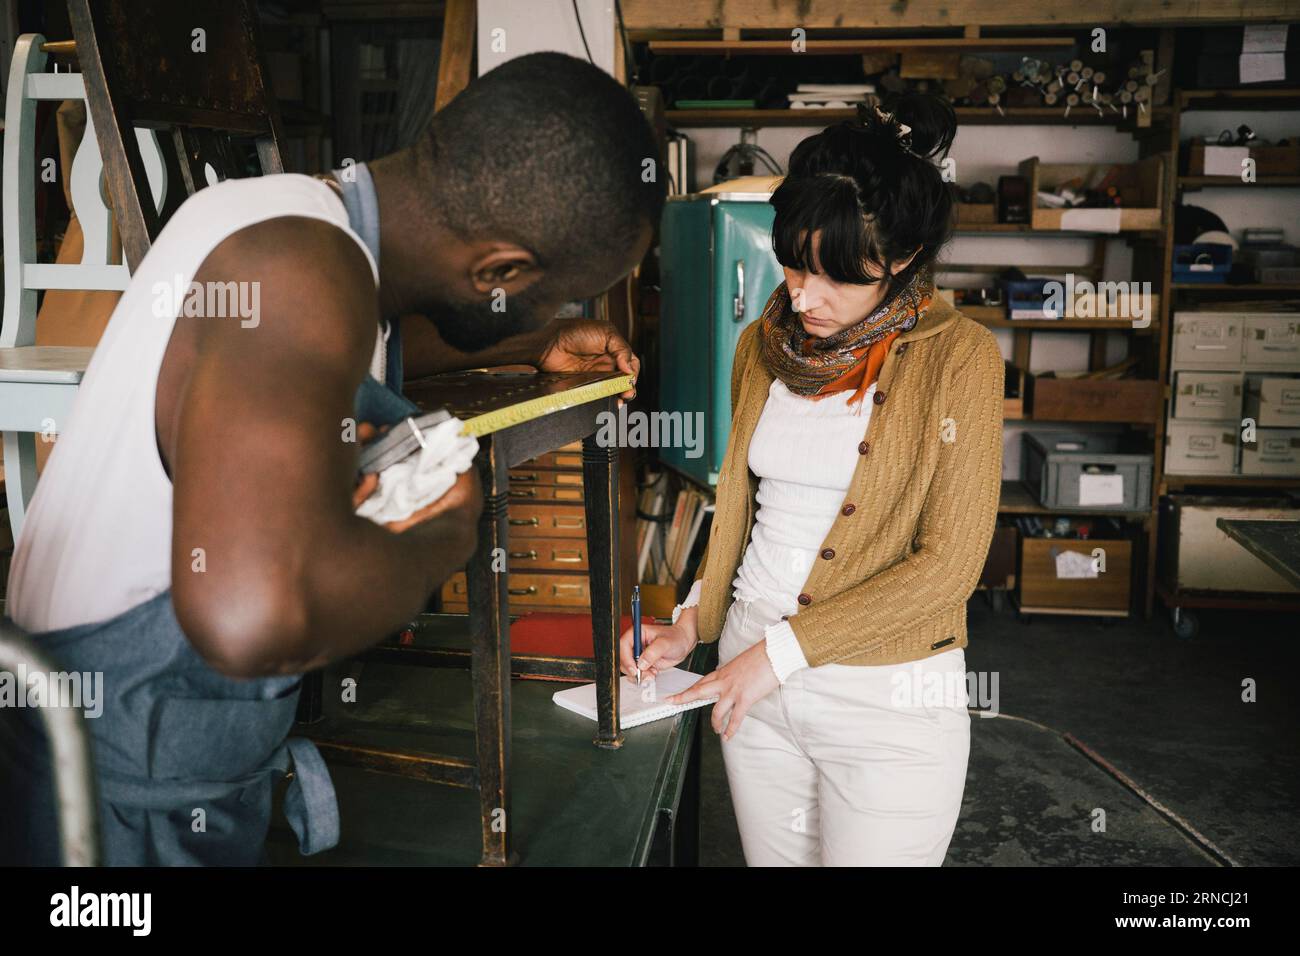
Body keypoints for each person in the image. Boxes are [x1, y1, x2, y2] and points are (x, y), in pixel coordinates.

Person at [2, 51, 665, 865]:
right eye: (555, 295)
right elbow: (251, 622)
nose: (556, 309)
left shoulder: (295, 225)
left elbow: (330, 360)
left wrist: (536, 339)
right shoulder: (299, 278)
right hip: (109, 813)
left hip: (141, 760)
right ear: (499, 268)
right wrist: (452, 531)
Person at [620, 93, 1004, 866]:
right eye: (791, 266)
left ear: (899, 262)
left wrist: (778, 654)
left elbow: (949, 566)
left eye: (834, 278)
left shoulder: (960, 359)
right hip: (750, 684)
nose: (803, 297)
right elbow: (746, 511)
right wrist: (695, 619)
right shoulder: (763, 348)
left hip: (884, 703)